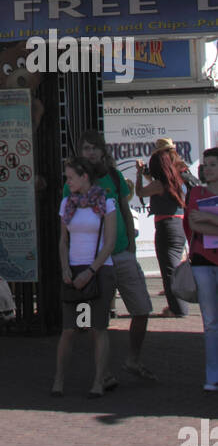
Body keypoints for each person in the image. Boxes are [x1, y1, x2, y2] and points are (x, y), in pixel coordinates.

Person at [77, 129, 154, 381]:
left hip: (121, 253)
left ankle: (133, 358)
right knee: (96, 319)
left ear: (102, 151)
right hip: (94, 260)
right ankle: (103, 371)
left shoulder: (114, 175)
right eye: (86, 148)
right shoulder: (74, 181)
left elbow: (124, 210)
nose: (90, 153)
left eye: (94, 148)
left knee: (141, 308)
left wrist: (131, 245)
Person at [52, 156, 117, 398]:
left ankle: (99, 381)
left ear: (84, 177)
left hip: (98, 271)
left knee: (97, 327)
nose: (68, 182)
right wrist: (65, 268)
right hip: (74, 272)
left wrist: (91, 271)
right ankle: (59, 379)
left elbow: (109, 242)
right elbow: (63, 239)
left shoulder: (105, 201)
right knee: (72, 327)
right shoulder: (68, 203)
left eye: (71, 177)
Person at [136, 142, 190, 317]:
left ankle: (178, 309)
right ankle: (179, 305)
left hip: (166, 226)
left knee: (169, 269)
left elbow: (140, 192)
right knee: (174, 266)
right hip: (179, 225)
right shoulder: (178, 180)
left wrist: (138, 174)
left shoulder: (159, 184)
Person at [183, 146, 218, 392]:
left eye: (214, 164)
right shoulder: (196, 192)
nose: (208, 168)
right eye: (206, 164)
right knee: (211, 322)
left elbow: (202, 221)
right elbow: (194, 222)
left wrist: (210, 219)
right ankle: (212, 375)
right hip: (203, 261)